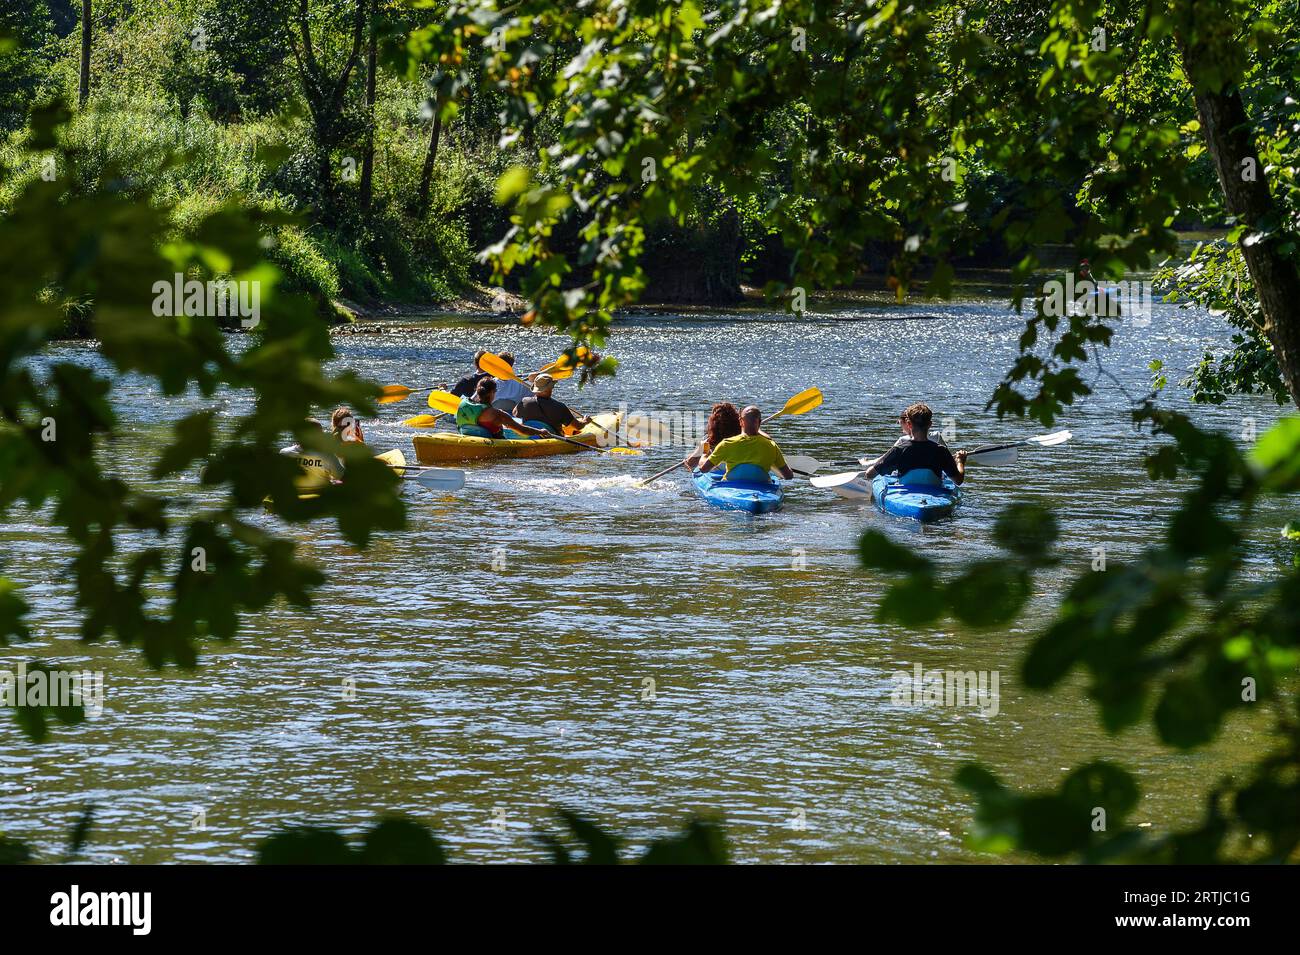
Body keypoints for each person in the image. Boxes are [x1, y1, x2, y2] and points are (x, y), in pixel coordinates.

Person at [862, 402, 967, 485]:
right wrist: (960, 461)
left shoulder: (898, 450)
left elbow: (869, 474)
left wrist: (890, 465)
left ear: (909, 424)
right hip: (935, 493)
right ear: (930, 424)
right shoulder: (941, 451)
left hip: (906, 495)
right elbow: (958, 481)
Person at [695, 405, 795, 483]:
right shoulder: (772, 446)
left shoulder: (727, 444)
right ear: (759, 423)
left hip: (731, 486)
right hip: (762, 487)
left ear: (740, 422)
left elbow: (703, 469)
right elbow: (788, 476)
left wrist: (705, 452)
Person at [455, 377, 550, 439]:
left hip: (466, 437)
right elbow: (522, 430)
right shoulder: (497, 414)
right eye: (495, 391)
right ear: (492, 393)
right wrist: (540, 431)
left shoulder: (462, 403)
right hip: (490, 443)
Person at [514, 374, 591, 436]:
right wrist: (585, 421)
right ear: (551, 387)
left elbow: (515, 414)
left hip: (529, 437)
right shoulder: (560, 407)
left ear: (536, 388)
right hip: (552, 437)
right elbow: (578, 426)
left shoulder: (524, 401)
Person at [684, 402, 742, 470]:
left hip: (717, 472)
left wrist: (686, 461)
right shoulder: (745, 438)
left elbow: (690, 464)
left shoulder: (708, 442)